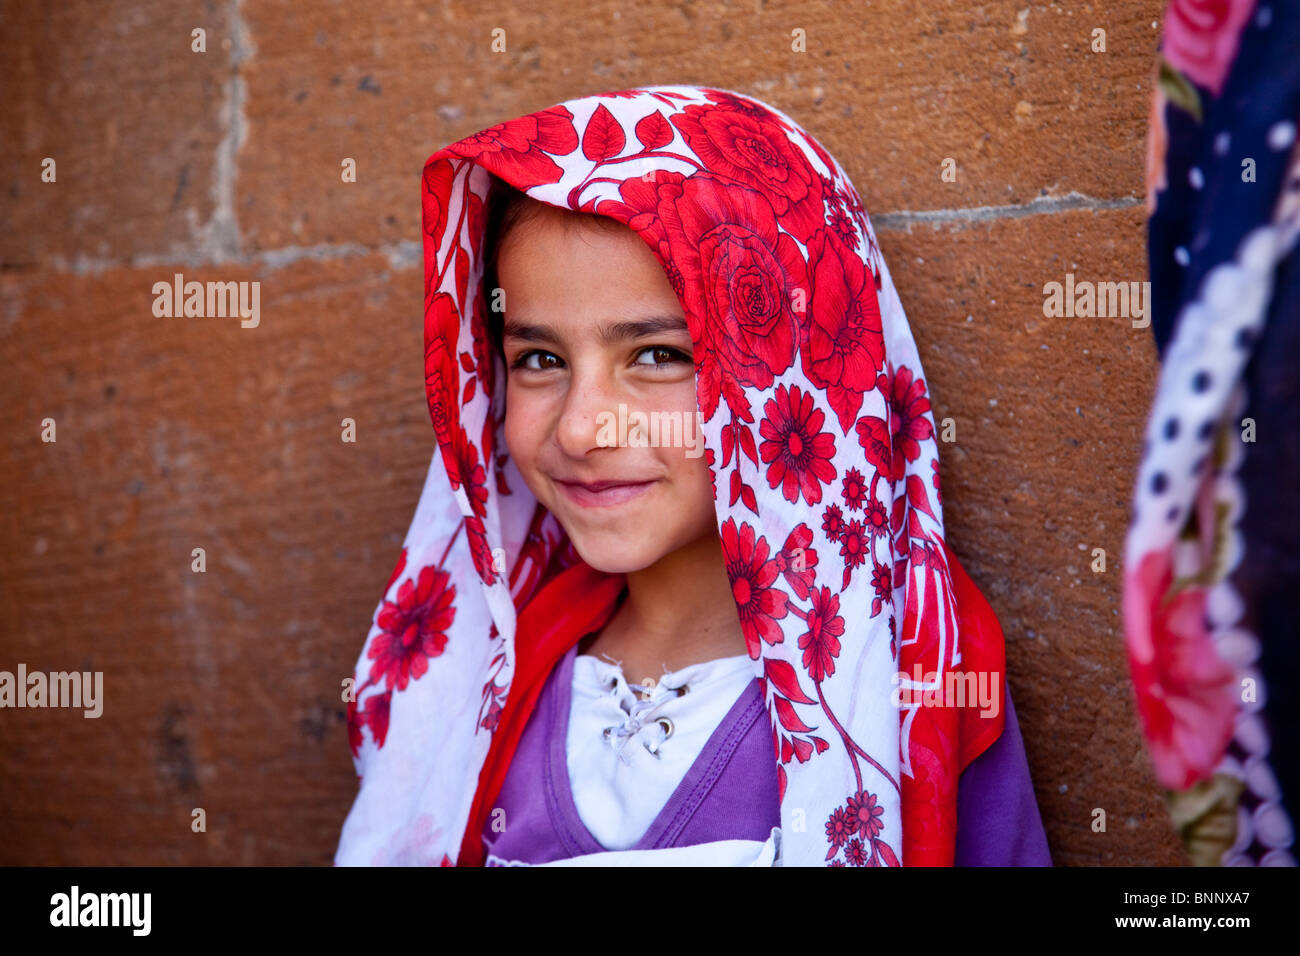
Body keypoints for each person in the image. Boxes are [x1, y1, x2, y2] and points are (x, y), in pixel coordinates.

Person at [335, 85, 1051, 867]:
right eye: (539, 360)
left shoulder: (914, 668)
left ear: (791, 375)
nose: (581, 428)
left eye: (658, 355)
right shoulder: (490, 675)